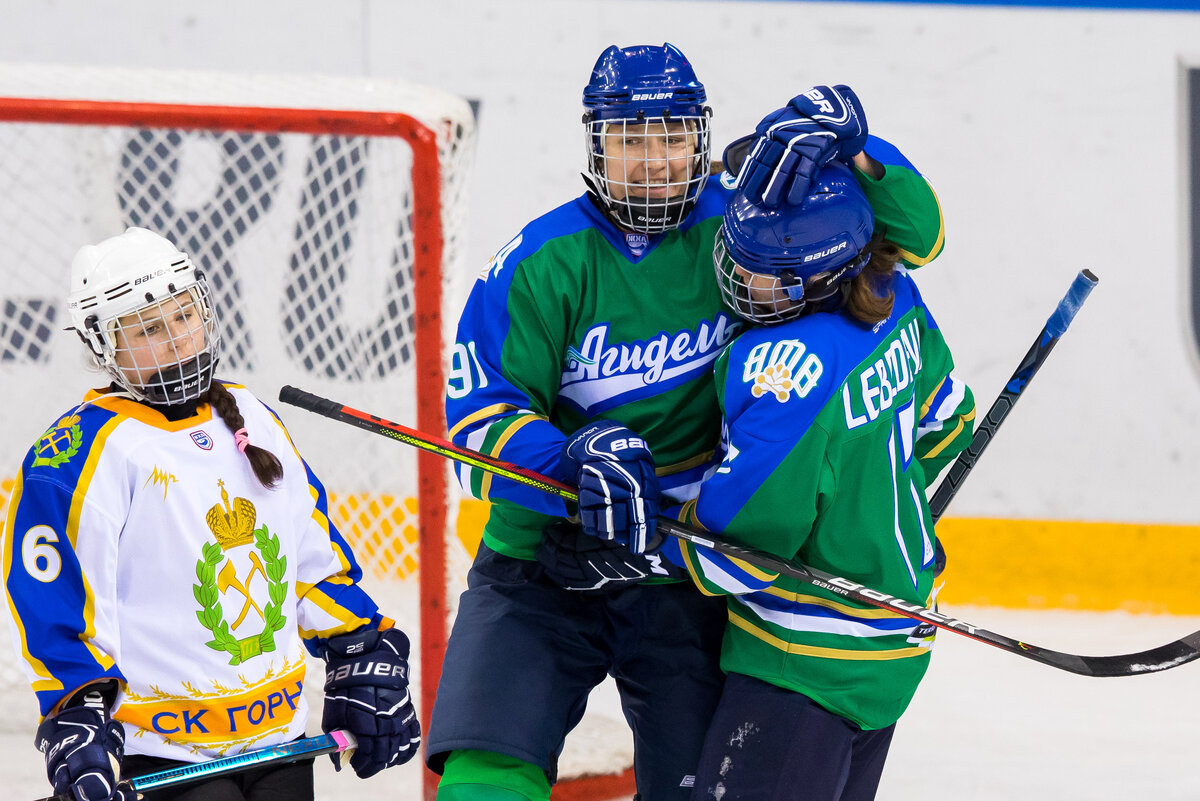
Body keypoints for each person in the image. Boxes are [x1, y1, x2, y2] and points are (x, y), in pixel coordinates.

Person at [428, 42, 948, 801]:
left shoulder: (749, 226)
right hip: (544, 558)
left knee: (700, 786)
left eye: (671, 137)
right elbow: (476, 416)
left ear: (701, 138)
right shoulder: (542, 261)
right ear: (594, 144)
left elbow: (917, 239)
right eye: (629, 140)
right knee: (487, 776)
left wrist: (864, 153)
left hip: (686, 565)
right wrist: (567, 461)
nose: (654, 161)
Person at [2, 227, 420, 801]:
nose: (177, 340)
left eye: (185, 316)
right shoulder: (79, 453)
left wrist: (361, 648)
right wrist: (78, 723)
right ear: (103, 346)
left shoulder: (251, 415)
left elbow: (309, 563)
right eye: (149, 329)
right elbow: (57, 603)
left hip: (279, 740)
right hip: (161, 753)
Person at [652, 163, 976, 801]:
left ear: (823, 274)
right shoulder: (895, 297)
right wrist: (877, 518)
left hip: (801, 661)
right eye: (740, 259)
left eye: (766, 273)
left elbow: (742, 553)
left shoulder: (784, 366)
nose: (741, 280)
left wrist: (660, 539)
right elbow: (951, 422)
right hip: (895, 640)